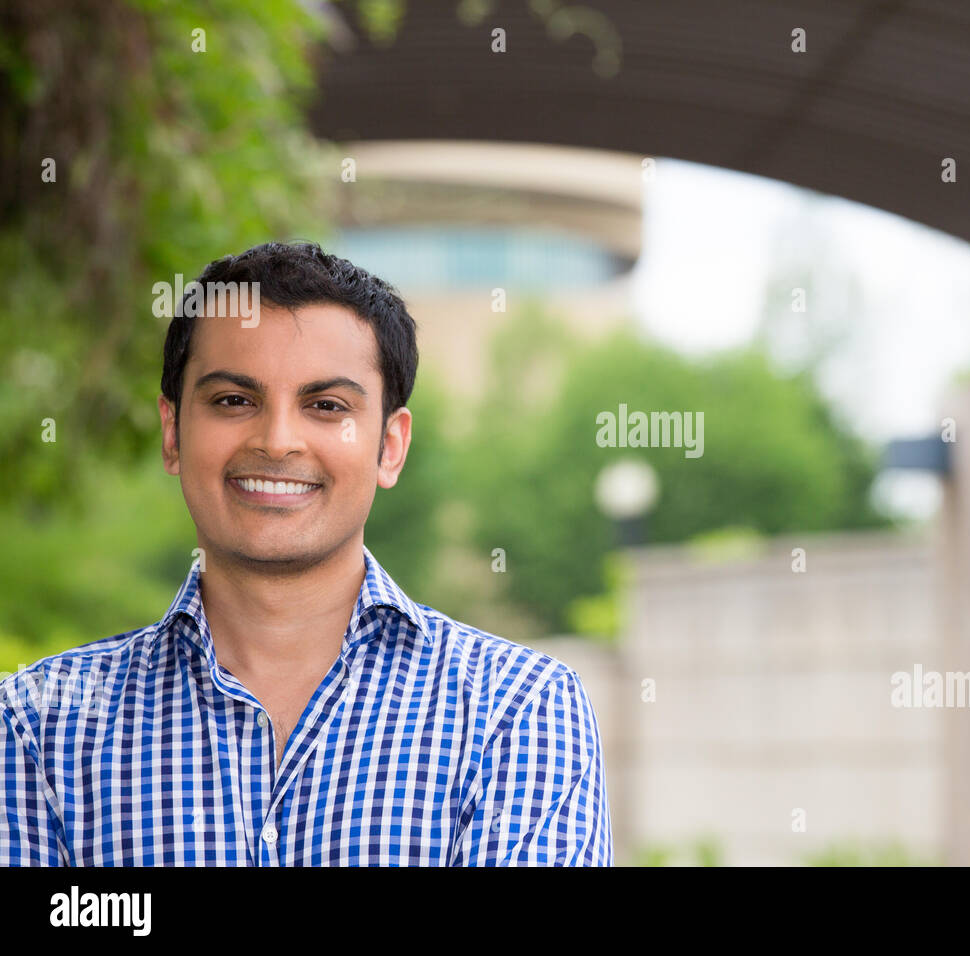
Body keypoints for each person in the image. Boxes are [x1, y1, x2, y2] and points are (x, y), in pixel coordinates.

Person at [0, 241, 612, 866]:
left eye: (327, 406)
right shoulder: (37, 727)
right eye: (234, 401)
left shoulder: (518, 713)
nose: (278, 441)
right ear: (173, 431)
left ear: (390, 446)